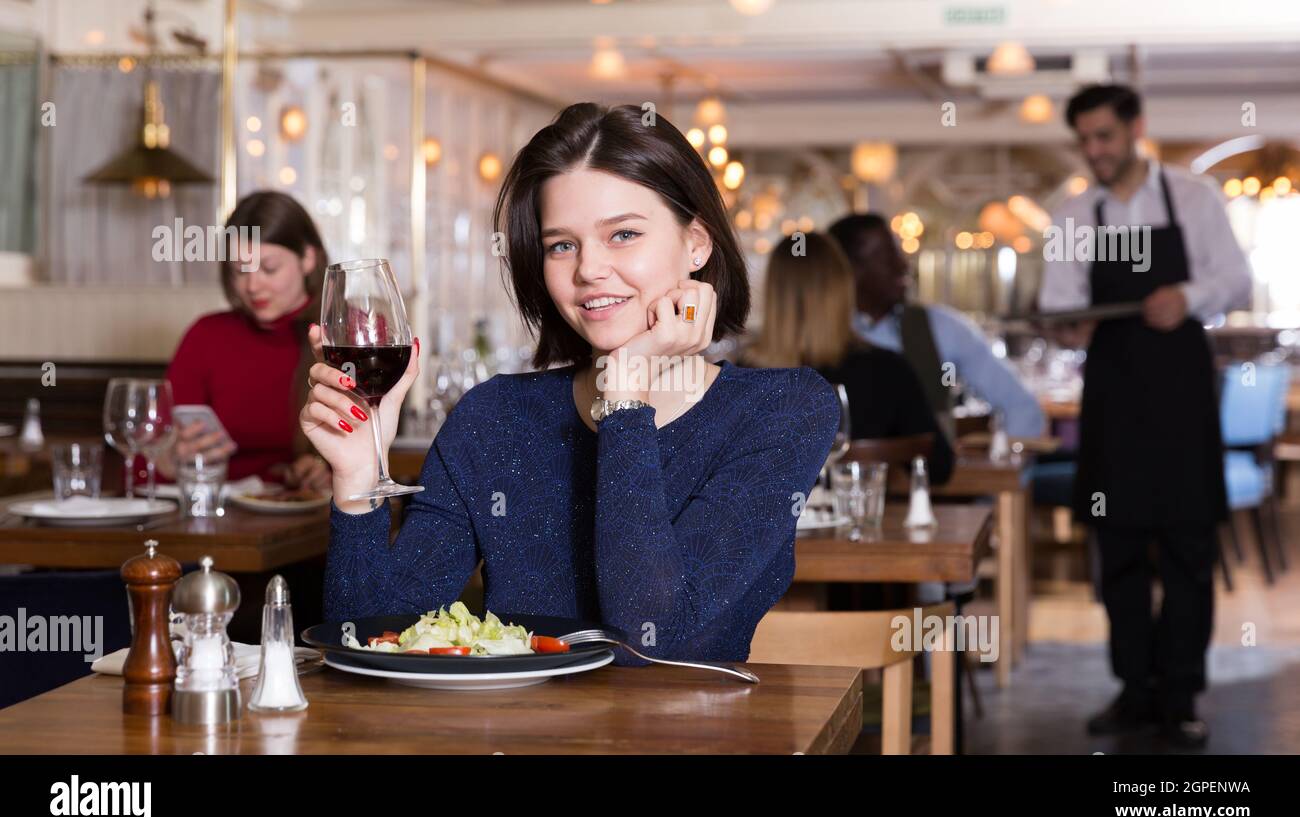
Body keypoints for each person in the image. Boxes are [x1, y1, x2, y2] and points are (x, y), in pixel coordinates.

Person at [305, 103, 840, 663]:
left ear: (697, 244)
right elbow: (367, 648)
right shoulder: (495, 416)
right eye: (562, 244)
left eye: (624, 234)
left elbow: (657, 643)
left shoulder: (784, 409)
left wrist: (626, 400)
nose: (588, 270)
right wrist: (358, 481)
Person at [1040, 84, 1251, 748]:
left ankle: (1182, 694)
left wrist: (1187, 294)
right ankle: (1134, 689)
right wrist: (1068, 326)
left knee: (1189, 553)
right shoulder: (1076, 213)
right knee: (1119, 551)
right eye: (1086, 140)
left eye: (1105, 136)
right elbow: (1058, 301)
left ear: (1137, 128)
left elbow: (1237, 280)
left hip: (1183, 400)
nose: (1095, 151)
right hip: (1113, 400)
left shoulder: (1192, 197)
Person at [157, 191, 333, 494]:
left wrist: (330, 475)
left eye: (269, 268)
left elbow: (373, 458)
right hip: (219, 516)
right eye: (240, 270)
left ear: (308, 258)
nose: (252, 286)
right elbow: (137, 469)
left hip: (313, 526)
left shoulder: (343, 335)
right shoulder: (207, 336)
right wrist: (170, 460)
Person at [743, 231, 954, 484]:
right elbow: (939, 468)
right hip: (865, 520)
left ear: (773, 293)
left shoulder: (741, 375)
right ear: (844, 289)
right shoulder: (887, 370)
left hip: (770, 524)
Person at [828, 213, 1045, 439]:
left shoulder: (940, 327)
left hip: (929, 473)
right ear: (848, 269)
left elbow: (1023, 409)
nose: (903, 264)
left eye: (898, 251)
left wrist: (1000, 464)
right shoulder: (819, 336)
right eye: (885, 256)